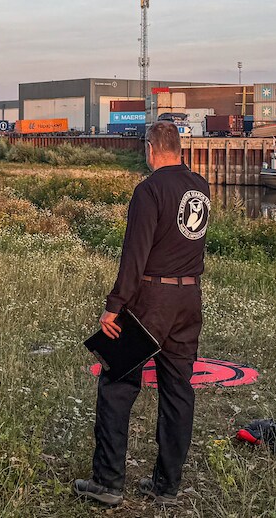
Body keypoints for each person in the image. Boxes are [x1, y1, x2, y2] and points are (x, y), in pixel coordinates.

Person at [73, 121, 211, 507]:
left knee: (117, 384)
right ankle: (167, 487)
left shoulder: (148, 191)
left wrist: (115, 306)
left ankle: (108, 482)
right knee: (178, 390)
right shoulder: (200, 187)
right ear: (179, 148)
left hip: (152, 298)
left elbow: (134, 255)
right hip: (189, 298)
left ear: (151, 148)